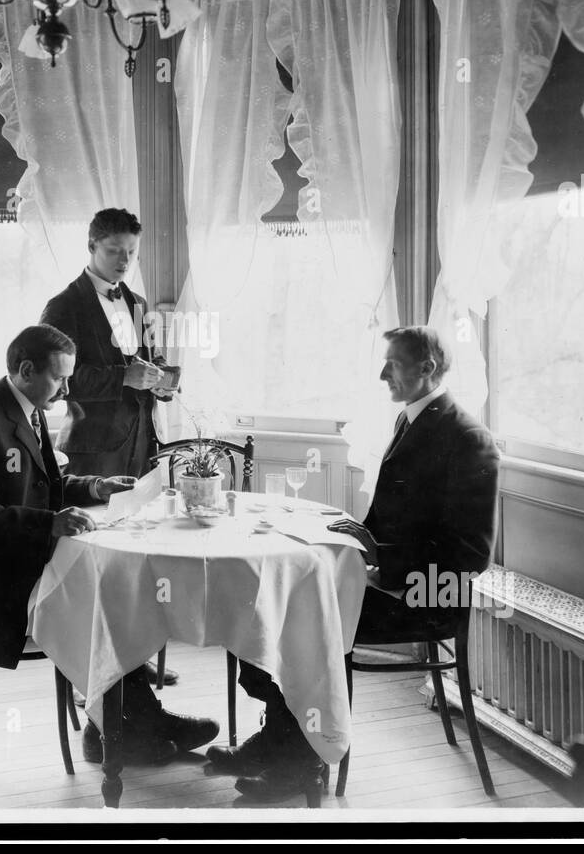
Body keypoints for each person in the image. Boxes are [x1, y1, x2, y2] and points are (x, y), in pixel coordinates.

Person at [206, 325, 500, 801]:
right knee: (273, 596)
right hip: (387, 583)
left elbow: (471, 552)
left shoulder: (467, 437)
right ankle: (279, 739)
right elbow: (387, 521)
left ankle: (302, 763)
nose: (383, 373)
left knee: (300, 613)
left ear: (427, 369)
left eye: (394, 364)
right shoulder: (415, 419)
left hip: (422, 598)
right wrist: (353, 549)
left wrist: (389, 573)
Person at [0, 324, 217, 764]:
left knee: (114, 591)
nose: (68, 388)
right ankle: (126, 727)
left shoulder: (27, 412)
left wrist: (98, 488)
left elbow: (49, 486)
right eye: (60, 378)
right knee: (105, 598)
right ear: (26, 370)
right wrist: (50, 524)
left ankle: (117, 726)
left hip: (24, 565)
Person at [40, 207, 180, 687]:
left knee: (140, 559)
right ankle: (91, 674)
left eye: (131, 252)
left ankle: (135, 668)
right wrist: (125, 376)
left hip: (142, 444)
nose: (124, 260)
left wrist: (162, 381)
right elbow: (61, 381)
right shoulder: (64, 307)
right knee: (95, 563)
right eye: (115, 250)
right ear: (92, 247)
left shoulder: (138, 303)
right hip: (93, 452)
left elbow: (155, 364)